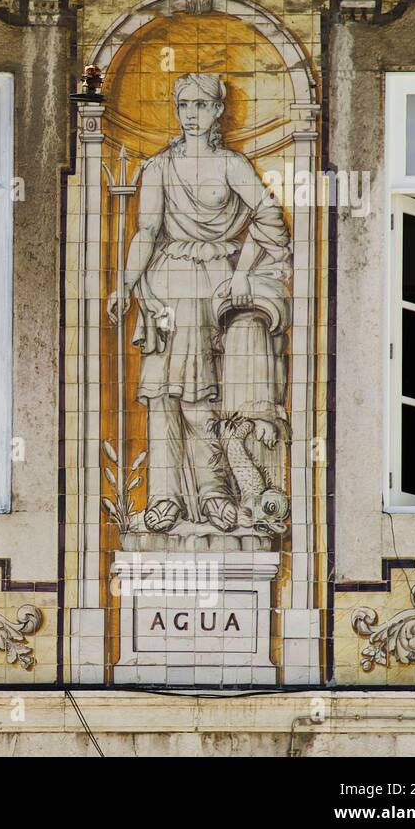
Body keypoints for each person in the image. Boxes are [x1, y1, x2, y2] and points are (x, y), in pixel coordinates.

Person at [106, 73, 291, 532]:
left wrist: (243, 272)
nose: (191, 114)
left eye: (201, 105)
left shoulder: (231, 165)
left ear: (216, 111)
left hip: (214, 283)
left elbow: (269, 217)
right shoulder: (157, 168)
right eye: (183, 104)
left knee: (202, 395)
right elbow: (146, 233)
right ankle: (165, 497)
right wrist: (125, 285)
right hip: (165, 284)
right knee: (162, 396)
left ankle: (214, 494)